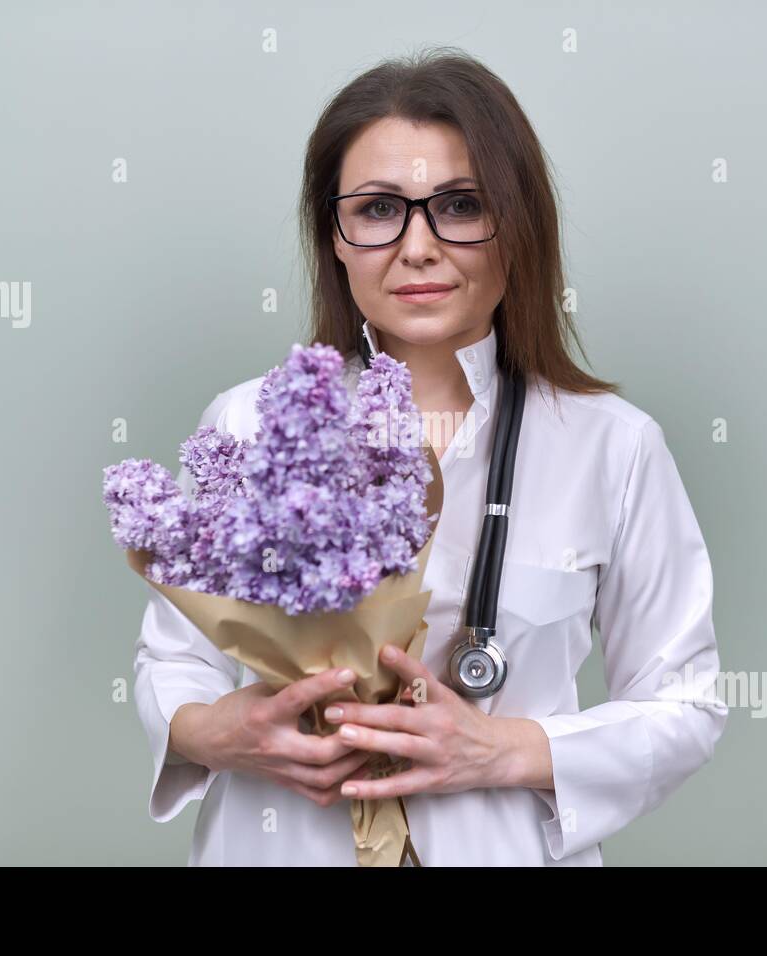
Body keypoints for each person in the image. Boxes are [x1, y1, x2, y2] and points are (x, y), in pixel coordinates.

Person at [132, 47, 727, 866]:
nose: (417, 247)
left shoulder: (613, 446)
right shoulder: (248, 423)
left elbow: (686, 703)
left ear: (516, 228)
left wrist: (504, 748)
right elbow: (173, 658)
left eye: (459, 204)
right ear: (333, 238)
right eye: (378, 209)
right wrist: (218, 731)